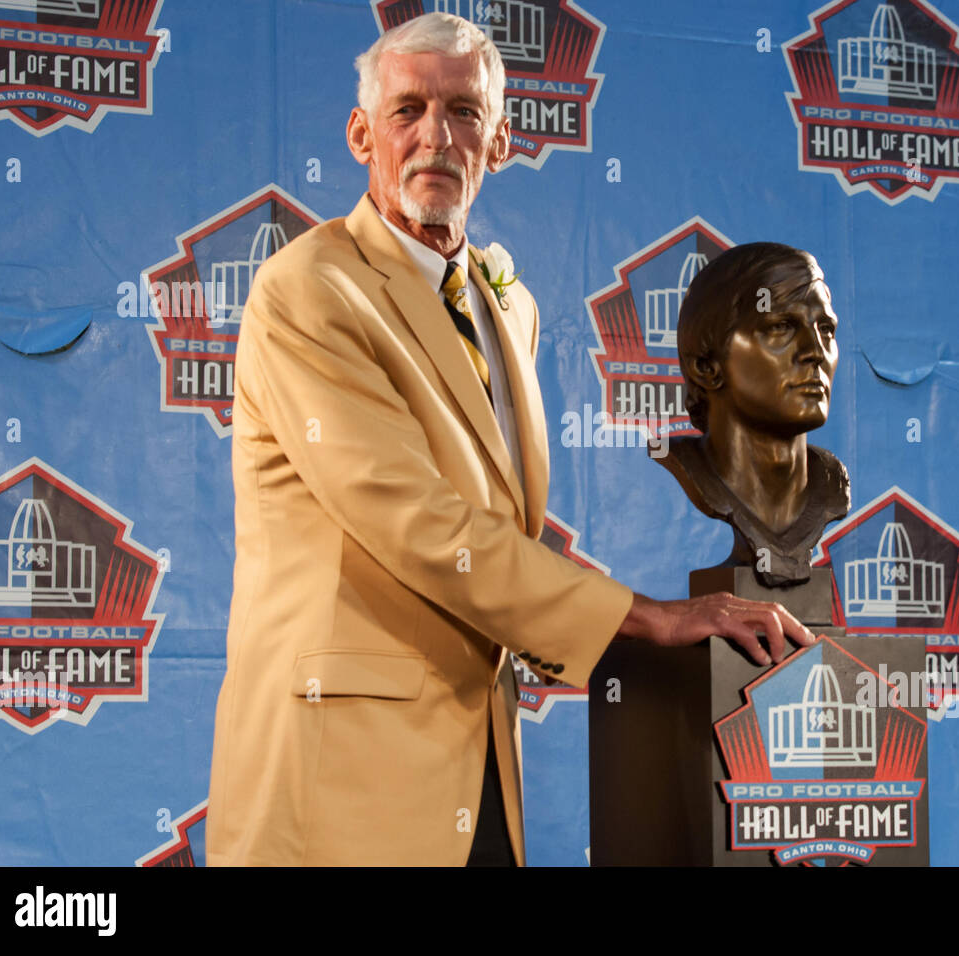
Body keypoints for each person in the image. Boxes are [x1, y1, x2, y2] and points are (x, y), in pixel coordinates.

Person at [205, 13, 813, 867]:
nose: (434, 137)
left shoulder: (507, 304)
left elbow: (495, 527)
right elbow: (419, 523)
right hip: (339, 778)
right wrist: (645, 619)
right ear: (359, 135)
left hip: (480, 763)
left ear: (498, 141)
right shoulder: (309, 290)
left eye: (462, 113)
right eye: (408, 109)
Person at [656, 242, 850, 586]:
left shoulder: (831, 484)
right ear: (707, 366)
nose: (814, 352)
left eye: (826, 330)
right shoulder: (686, 464)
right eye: (780, 327)